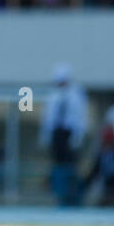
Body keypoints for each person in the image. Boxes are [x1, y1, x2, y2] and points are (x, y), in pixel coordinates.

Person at [40, 65, 88, 207]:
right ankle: (59, 197)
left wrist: (77, 136)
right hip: (57, 133)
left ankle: (72, 198)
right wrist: (45, 136)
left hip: (69, 133)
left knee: (70, 167)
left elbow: (80, 117)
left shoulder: (76, 95)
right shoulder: (53, 96)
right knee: (57, 166)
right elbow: (48, 118)